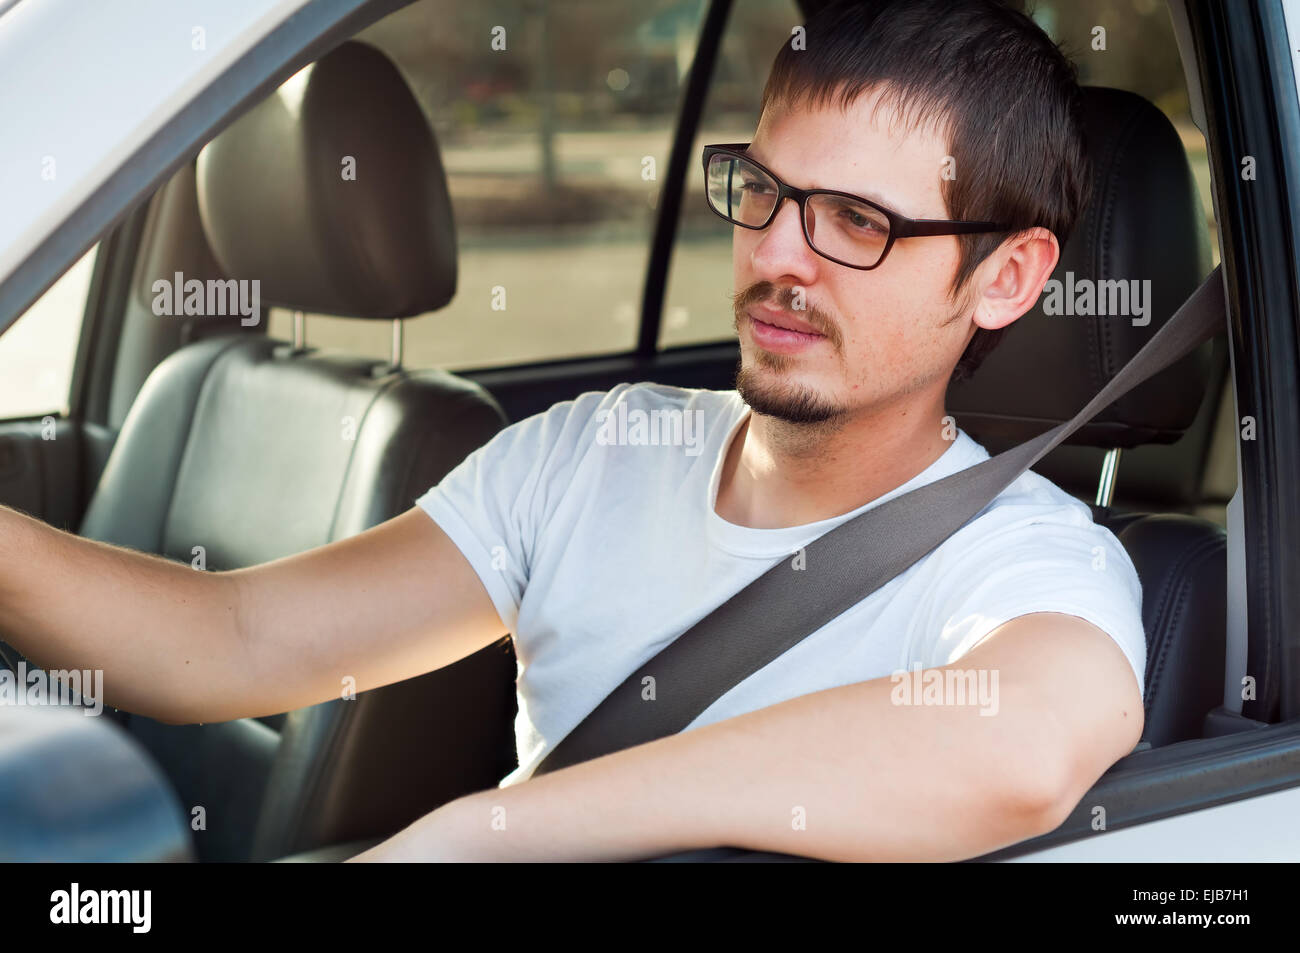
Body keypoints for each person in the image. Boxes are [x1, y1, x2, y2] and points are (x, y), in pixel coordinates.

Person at [0, 0, 1145, 862]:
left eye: (855, 221)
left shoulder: (1027, 557)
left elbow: (1026, 737)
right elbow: (244, 638)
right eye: (763, 191)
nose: (779, 256)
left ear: (1004, 276)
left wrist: (481, 833)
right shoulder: (594, 450)